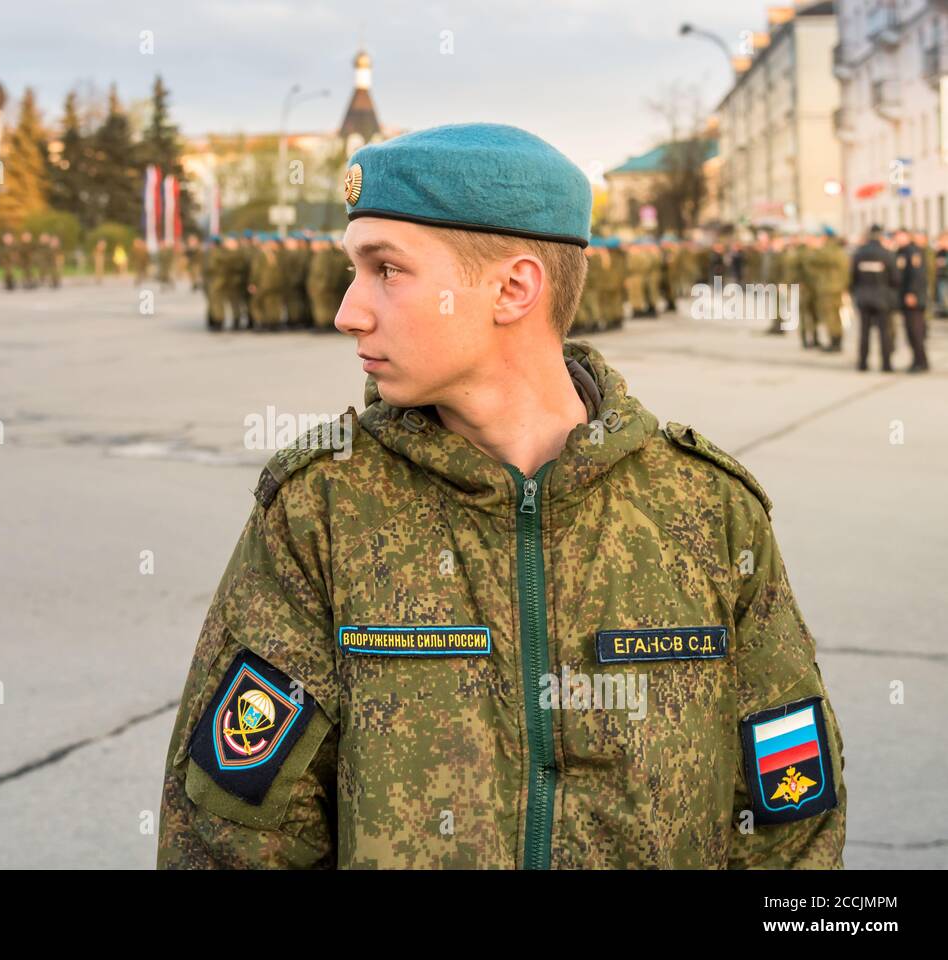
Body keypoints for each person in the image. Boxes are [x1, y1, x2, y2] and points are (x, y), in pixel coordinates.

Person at [157, 122, 846, 869]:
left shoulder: (706, 510)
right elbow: (230, 834)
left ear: (513, 289)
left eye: (386, 270)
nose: (348, 310)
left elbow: (792, 826)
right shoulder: (322, 509)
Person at [850, 225, 898, 373]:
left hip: (864, 297)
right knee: (885, 332)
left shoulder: (859, 254)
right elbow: (895, 279)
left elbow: (853, 277)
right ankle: (886, 364)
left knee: (864, 333)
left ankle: (863, 363)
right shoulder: (886, 254)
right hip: (882, 298)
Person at [894, 229, 930, 372]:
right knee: (911, 331)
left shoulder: (913, 251)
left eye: (899, 236)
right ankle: (918, 360)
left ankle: (920, 362)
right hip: (905, 297)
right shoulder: (900, 251)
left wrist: (912, 293)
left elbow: (917, 274)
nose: (897, 239)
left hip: (913, 299)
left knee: (916, 331)